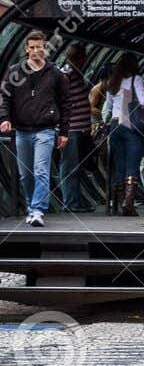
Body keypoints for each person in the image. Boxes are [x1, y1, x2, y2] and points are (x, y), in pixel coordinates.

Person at [0, 30, 70, 226]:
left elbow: (66, 103)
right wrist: (4, 118)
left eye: (39, 47)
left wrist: (64, 131)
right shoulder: (15, 71)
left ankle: (38, 209)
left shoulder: (55, 73)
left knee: (40, 170)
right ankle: (32, 207)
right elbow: (4, 96)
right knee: (25, 174)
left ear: (45, 48)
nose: (36, 51)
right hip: (22, 130)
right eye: (32, 47)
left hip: (45, 130)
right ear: (26, 49)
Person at [103, 53, 144, 217]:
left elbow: (109, 104)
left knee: (119, 165)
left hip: (115, 126)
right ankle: (128, 203)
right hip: (131, 126)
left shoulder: (112, 82)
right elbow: (143, 101)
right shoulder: (136, 79)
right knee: (132, 166)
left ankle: (121, 203)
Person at [55, 42, 94, 213]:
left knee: (75, 166)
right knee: (69, 167)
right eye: (84, 57)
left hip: (78, 129)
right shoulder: (66, 73)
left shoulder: (75, 74)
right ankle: (71, 203)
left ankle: (77, 200)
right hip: (70, 130)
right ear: (78, 58)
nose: (85, 60)